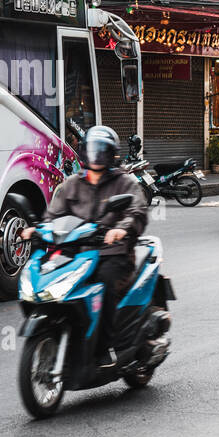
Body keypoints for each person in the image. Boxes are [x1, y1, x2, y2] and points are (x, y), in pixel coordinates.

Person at [22, 125, 147, 361]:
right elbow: (52, 216)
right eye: (92, 150)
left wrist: (120, 230)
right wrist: (37, 230)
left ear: (111, 154)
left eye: (102, 151)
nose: (96, 156)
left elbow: (137, 212)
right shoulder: (72, 183)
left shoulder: (125, 183)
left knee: (105, 283)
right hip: (77, 252)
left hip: (113, 253)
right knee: (49, 279)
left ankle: (106, 347)